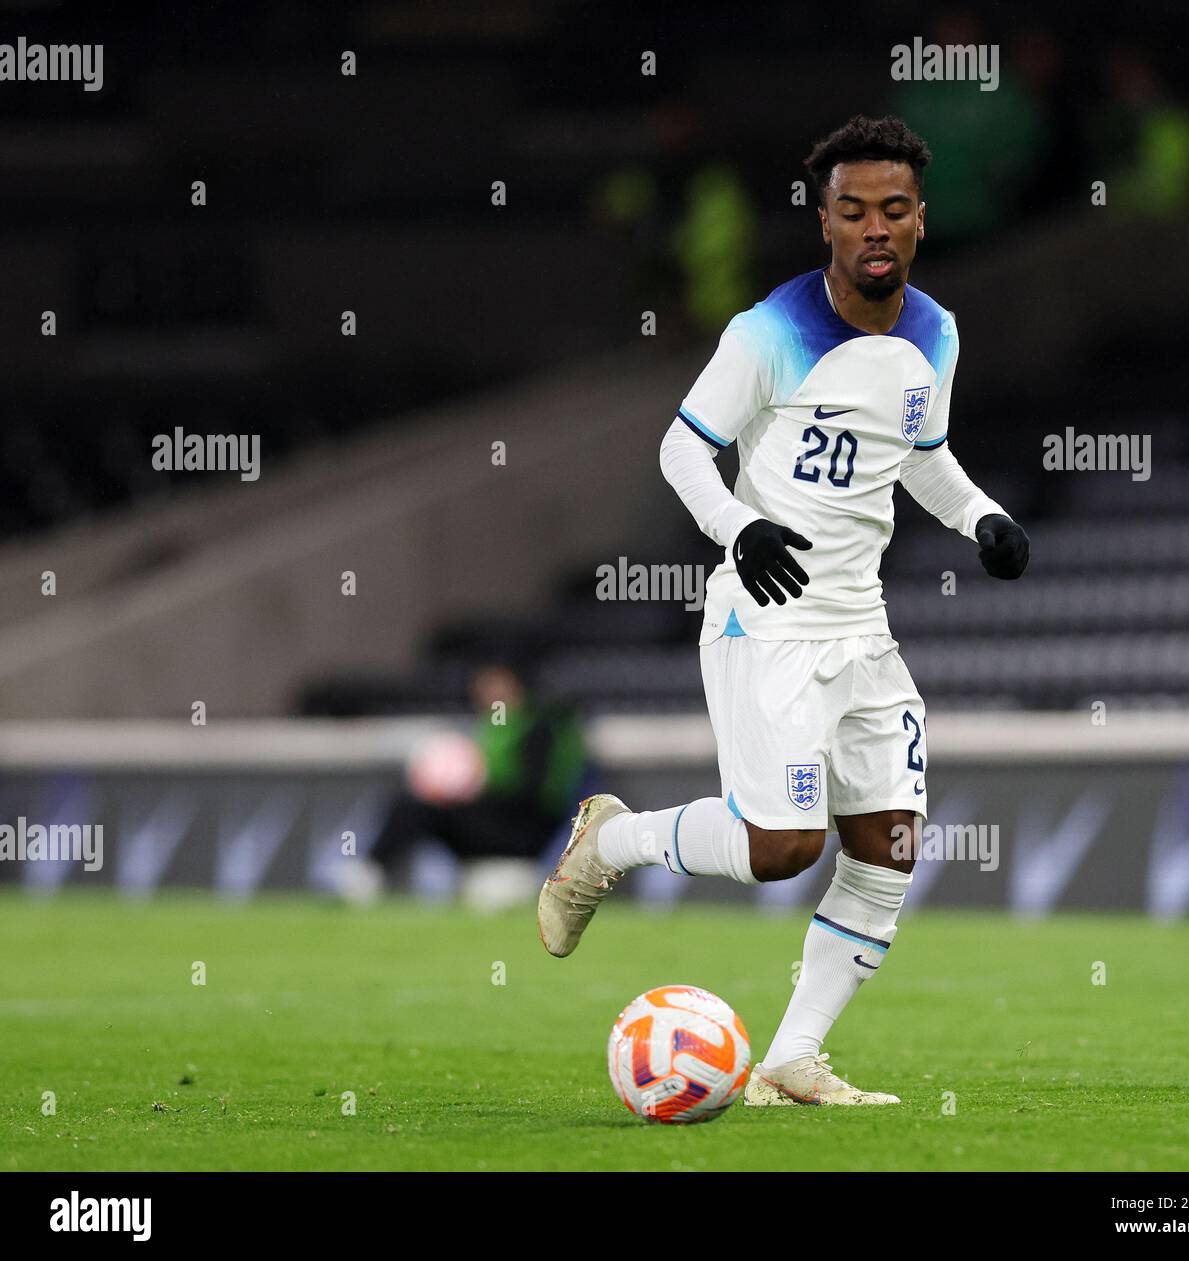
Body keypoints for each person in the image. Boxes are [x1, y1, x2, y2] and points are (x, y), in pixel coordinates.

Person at [538, 115, 1029, 1105]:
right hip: (762, 616)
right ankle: (611, 840)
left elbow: (921, 458)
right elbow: (684, 449)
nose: (875, 228)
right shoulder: (767, 333)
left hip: (862, 626)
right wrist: (737, 527)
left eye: (893, 209)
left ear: (920, 220)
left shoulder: (936, 331)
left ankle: (792, 1057)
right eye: (854, 211)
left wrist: (982, 517)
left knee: (887, 845)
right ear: (825, 223)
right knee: (782, 850)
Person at [350, 652, 586, 910]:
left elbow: (534, 794)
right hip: (493, 820)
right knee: (414, 807)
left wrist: (471, 792)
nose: (485, 692)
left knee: (418, 810)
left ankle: (368, 872)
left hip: (521, 830)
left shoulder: (540, 728)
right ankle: (370, 873)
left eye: (494, 683)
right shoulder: (493, 727)